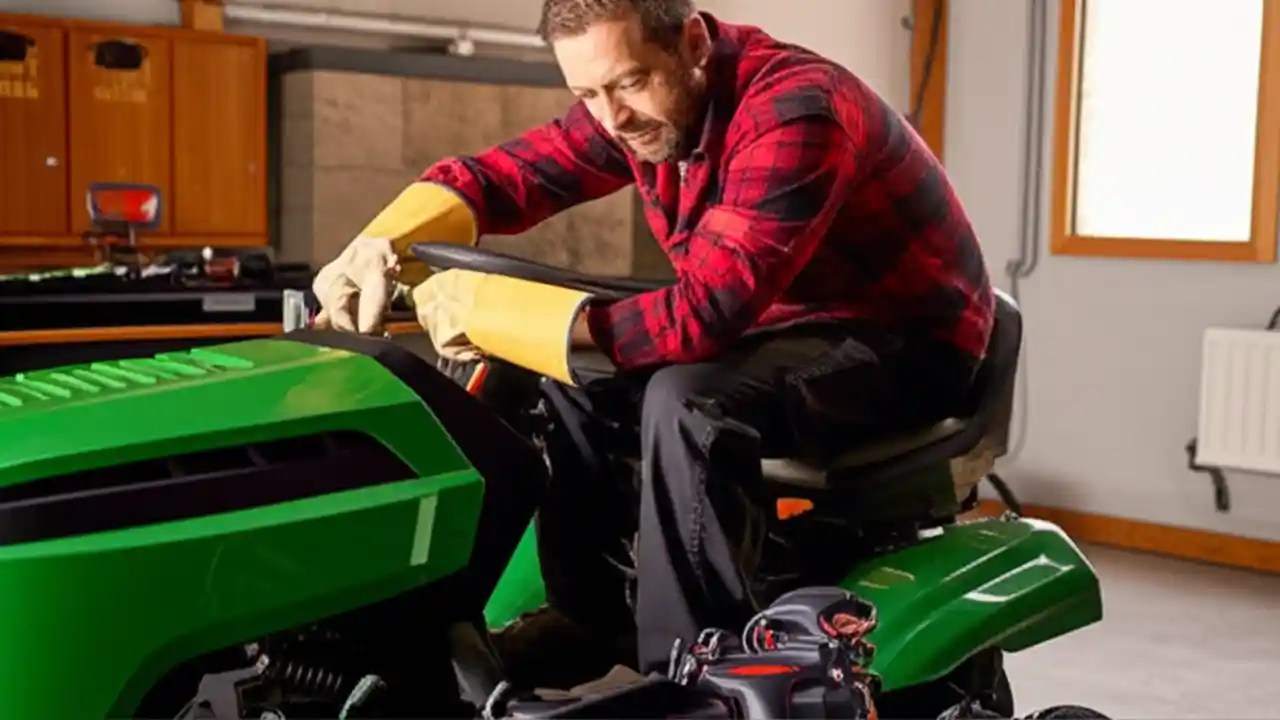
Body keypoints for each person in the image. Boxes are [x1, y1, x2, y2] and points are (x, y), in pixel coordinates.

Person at [310, 0, 995, 683]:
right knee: (567, 372)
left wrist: (500, 313)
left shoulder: (795, 111)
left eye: (630, 82)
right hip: (781, 324)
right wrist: (379, 241)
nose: (610, 117)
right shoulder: (637, 108)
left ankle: (694, 669)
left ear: (692, 43)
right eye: (587, 94)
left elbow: (708, 314)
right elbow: (506, 178)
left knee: (687, 399)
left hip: (906, 342)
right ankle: (586, 617)